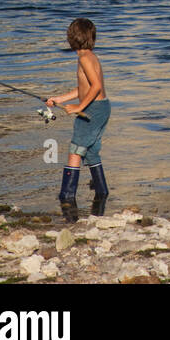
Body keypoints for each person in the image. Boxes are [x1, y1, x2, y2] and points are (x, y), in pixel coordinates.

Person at [47, 18, 111, 209]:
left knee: (76, 150)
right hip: (101, 107)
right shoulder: (89, 56)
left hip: (93, 109)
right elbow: (84, 88)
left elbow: (96, 86)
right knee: (90, 152)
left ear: (71, 39)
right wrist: (60, 99)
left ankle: (67, 196)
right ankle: (102, 193)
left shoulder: (84, 59)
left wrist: (79, 107)